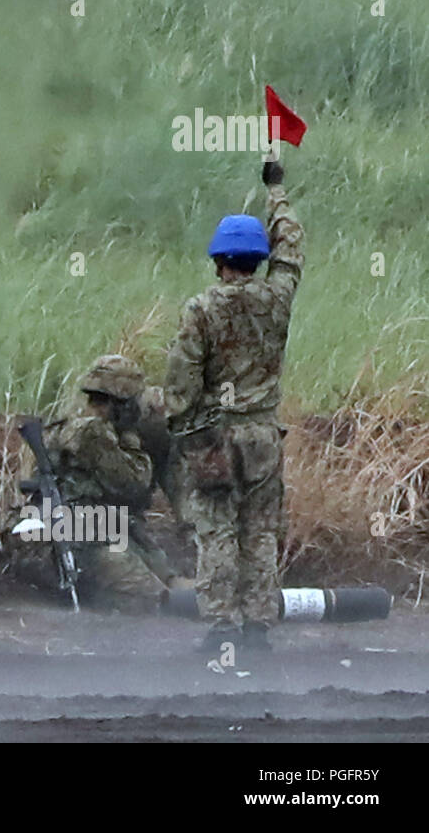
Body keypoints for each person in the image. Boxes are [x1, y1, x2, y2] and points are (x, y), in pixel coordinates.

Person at [166, 157, 303, 653]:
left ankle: (222, 628)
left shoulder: (202, 309)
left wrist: (187, 437)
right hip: (265, 436)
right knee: (259, 531)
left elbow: (181, 384)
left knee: (218, 530)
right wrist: (276, 190)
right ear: (258, 261)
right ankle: (258, 628)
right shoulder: (278, 297)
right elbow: (292, 245)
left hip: (215, 436)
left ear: (220, 261)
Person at [31, 355, 181, 609]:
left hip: (104, 528)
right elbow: (133, 483)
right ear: (122, 404)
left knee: (170, 579)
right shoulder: (92, 433)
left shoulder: (84, 427)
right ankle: (234, 610)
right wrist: (133, 437)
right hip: (73, 538)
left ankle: (240, 604)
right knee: (157, 599)